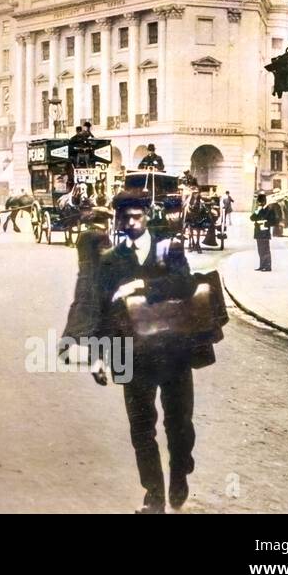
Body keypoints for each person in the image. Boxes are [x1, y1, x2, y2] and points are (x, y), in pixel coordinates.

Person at [61, 187, 205, 514]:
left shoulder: (169, 248)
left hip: (172, 350)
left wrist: (142, 286)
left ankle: (180, 471)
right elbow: (101, 308)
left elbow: (184, 284)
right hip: (131, 355)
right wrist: (98, 356)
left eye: (136, 216)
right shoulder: (111, 260)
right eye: (124, 218)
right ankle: (153, 497)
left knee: (179, 425)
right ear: (118, 220)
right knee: (142, 430)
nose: (130, 223)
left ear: (147, 215)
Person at [252, 193, 274, 271]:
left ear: (264, 202)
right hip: (258, 232)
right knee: (260, 250)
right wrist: (257, 211)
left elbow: (274, 221)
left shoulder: (269, 210)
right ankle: (262, 265)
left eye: (260, 202)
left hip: (265, 232)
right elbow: (252, 218)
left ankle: (268, 266)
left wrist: (265, 223)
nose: (259, 204)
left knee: (265, 250)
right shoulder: (258, 210)